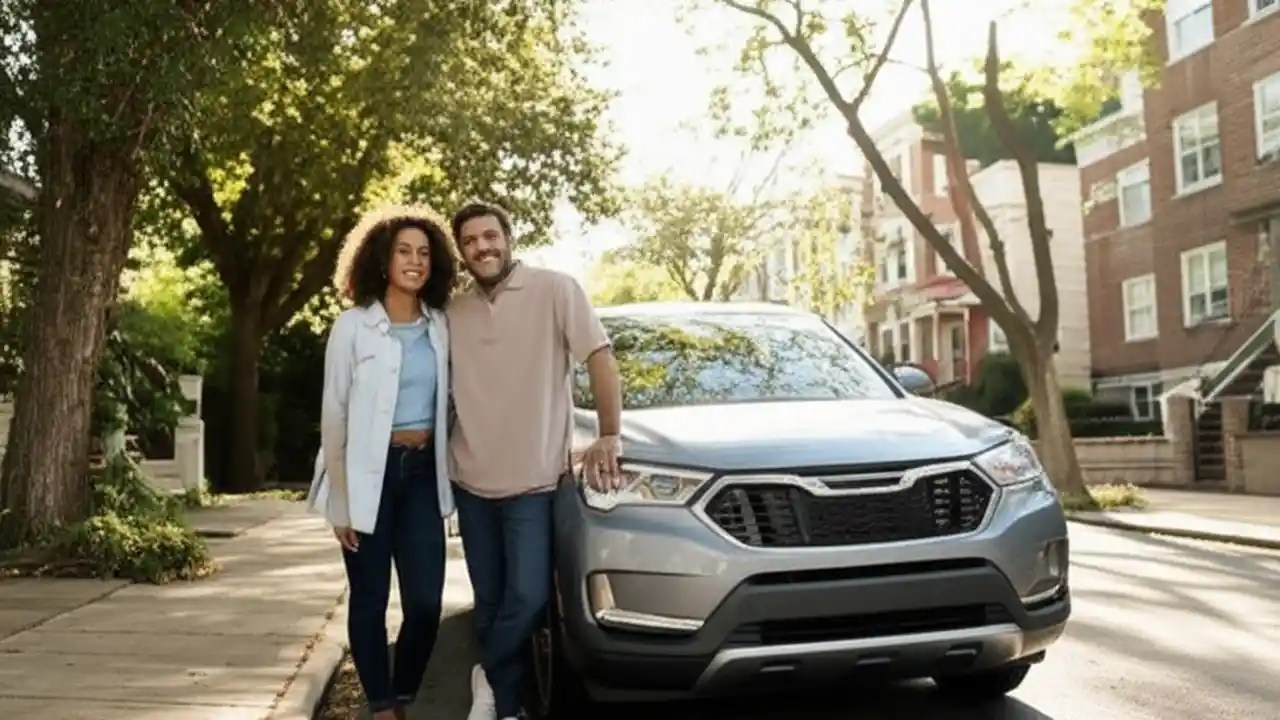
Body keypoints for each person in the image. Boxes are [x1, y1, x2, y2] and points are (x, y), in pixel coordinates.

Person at [447, 201, 623, 720]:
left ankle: (488, 673)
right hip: (471, 481)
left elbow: (600, 356)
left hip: (535, 483)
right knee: (490, 602)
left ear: (509, 238)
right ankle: (506, 706)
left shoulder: (556, 290)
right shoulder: (453, 312)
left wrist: (610, 434)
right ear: (461, 252)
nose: (483, 247)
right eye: (471, 241)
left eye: (490, 235)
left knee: (526, 598)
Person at [306, 204, 458, 720]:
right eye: (404, 251)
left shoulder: (442, 328)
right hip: (367, 477)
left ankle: (405, 690)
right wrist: (341, 504)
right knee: (369, 601)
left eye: (423, 252)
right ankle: (382, 707)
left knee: (425, 605)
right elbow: (335, 414)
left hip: (420, 477)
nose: (415, 261)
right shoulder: (353, 327)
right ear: (382, 259)